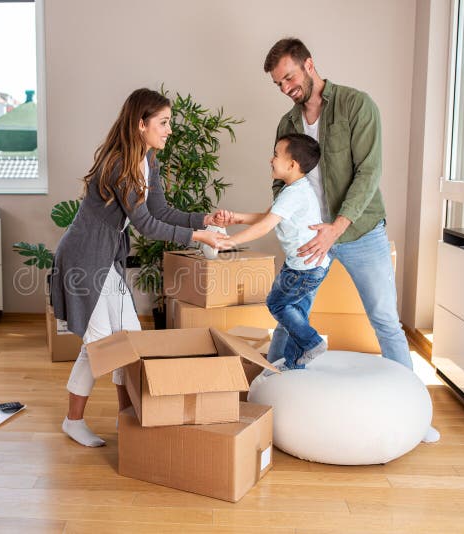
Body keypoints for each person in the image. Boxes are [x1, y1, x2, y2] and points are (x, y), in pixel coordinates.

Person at [262, 37, 440, 443]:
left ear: (309, 65)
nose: (287, 88)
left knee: (384, 320)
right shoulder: (288, 124)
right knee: (288, 317)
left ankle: (415, 414)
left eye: (289, 77)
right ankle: (263, 406)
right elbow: (280, 183)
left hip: (358, 231)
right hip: (309, 239)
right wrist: (294, 233)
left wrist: (336, 228)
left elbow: (369, 172)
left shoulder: (357, 105)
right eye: (279, 84)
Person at [50, 88, 230, 447]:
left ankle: (127, 421)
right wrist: (198, 236)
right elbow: (147, 225)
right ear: (140, 124)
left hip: (105, 258)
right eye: (163, 123)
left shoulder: (149, 161)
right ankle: (75, 421)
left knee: (129, 341)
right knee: (103, 345)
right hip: (85, 258)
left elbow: (160, 212)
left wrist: (203, 218)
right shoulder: (120, 164)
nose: (169, 130)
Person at [221, 133, 328, 369]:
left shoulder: (292, 193)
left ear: (292, 165)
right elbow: (268, 217)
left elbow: (266, 226)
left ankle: (312, 342)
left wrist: (229, 243)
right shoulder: (295, 189)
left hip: (303, 269)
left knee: (277, 304)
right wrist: (235, 218)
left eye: (276, 155)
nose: (271, 159)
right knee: (296, 313)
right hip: (313, 265)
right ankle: (293, 364)